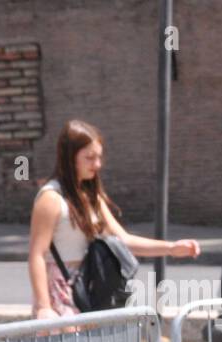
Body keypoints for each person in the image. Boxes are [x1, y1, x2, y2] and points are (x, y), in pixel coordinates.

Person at [28, 118, 201, 321]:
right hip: (61, 290)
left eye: (99, 157)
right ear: (69, 157)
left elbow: (123, 240)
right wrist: (43, 306)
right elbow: (37, 255)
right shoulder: (51, 199)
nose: (97, 164)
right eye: (89, 157)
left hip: (90, 285)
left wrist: (171, 248)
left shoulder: (90, 196)